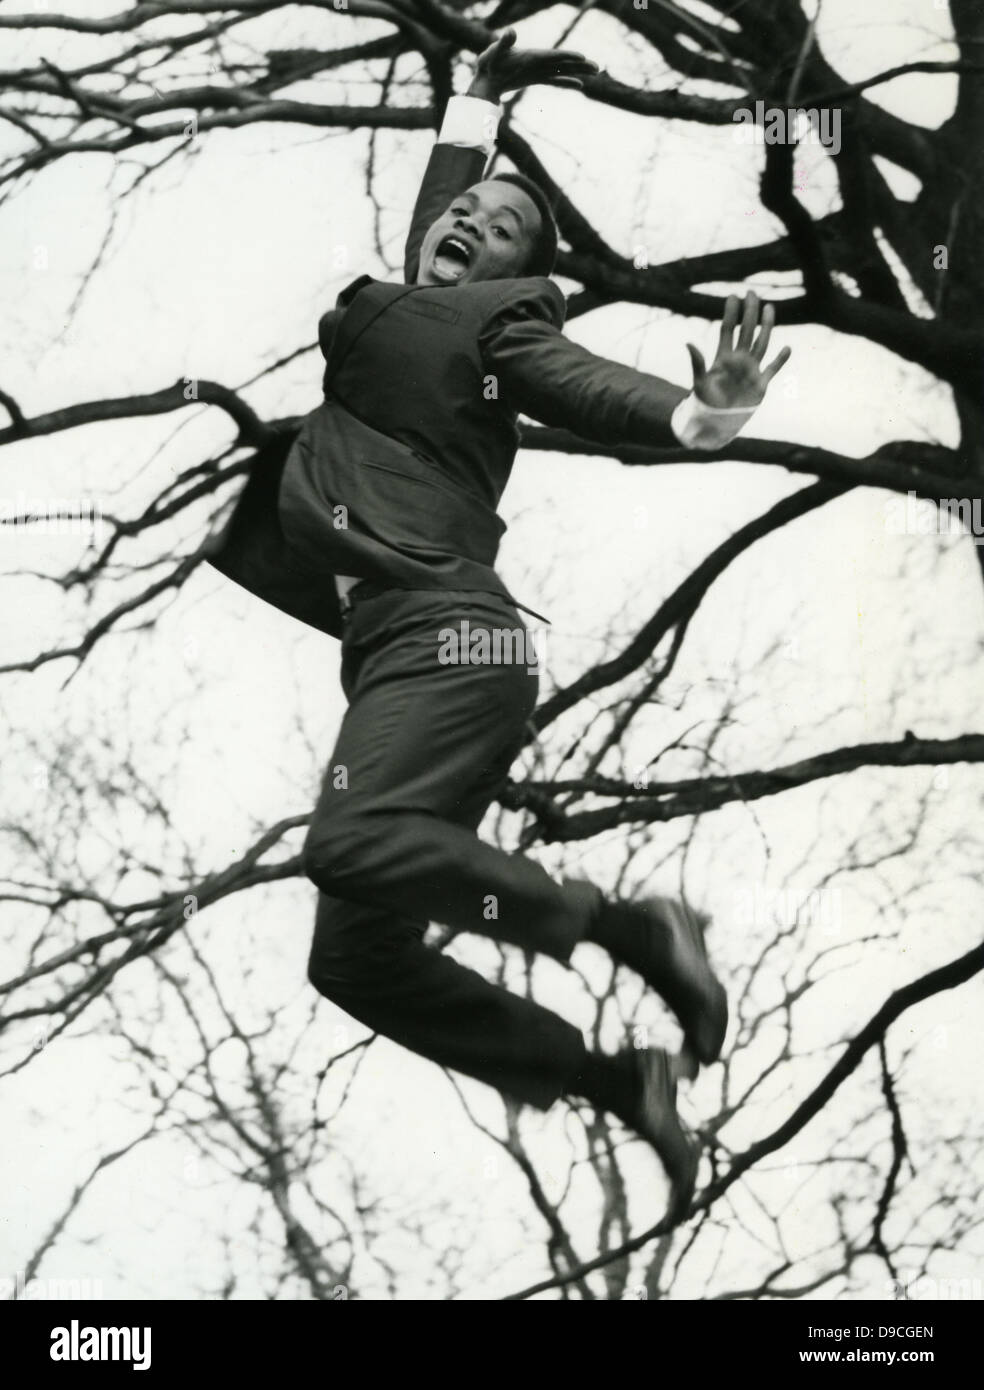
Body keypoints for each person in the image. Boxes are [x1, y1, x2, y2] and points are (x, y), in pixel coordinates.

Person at [207, 30, 791, 1220]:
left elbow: (577, 377)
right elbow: (446, 209)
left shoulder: (491, 325)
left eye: (504, 225)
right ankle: (614, 1079)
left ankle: (634, 929)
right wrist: (472, 102)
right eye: (464, 210)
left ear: (520, 272)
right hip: (403, 666)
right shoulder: (427, 309)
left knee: (348, 843)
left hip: (448, 639)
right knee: (355, 955)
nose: (469, 221)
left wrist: (694, 414)